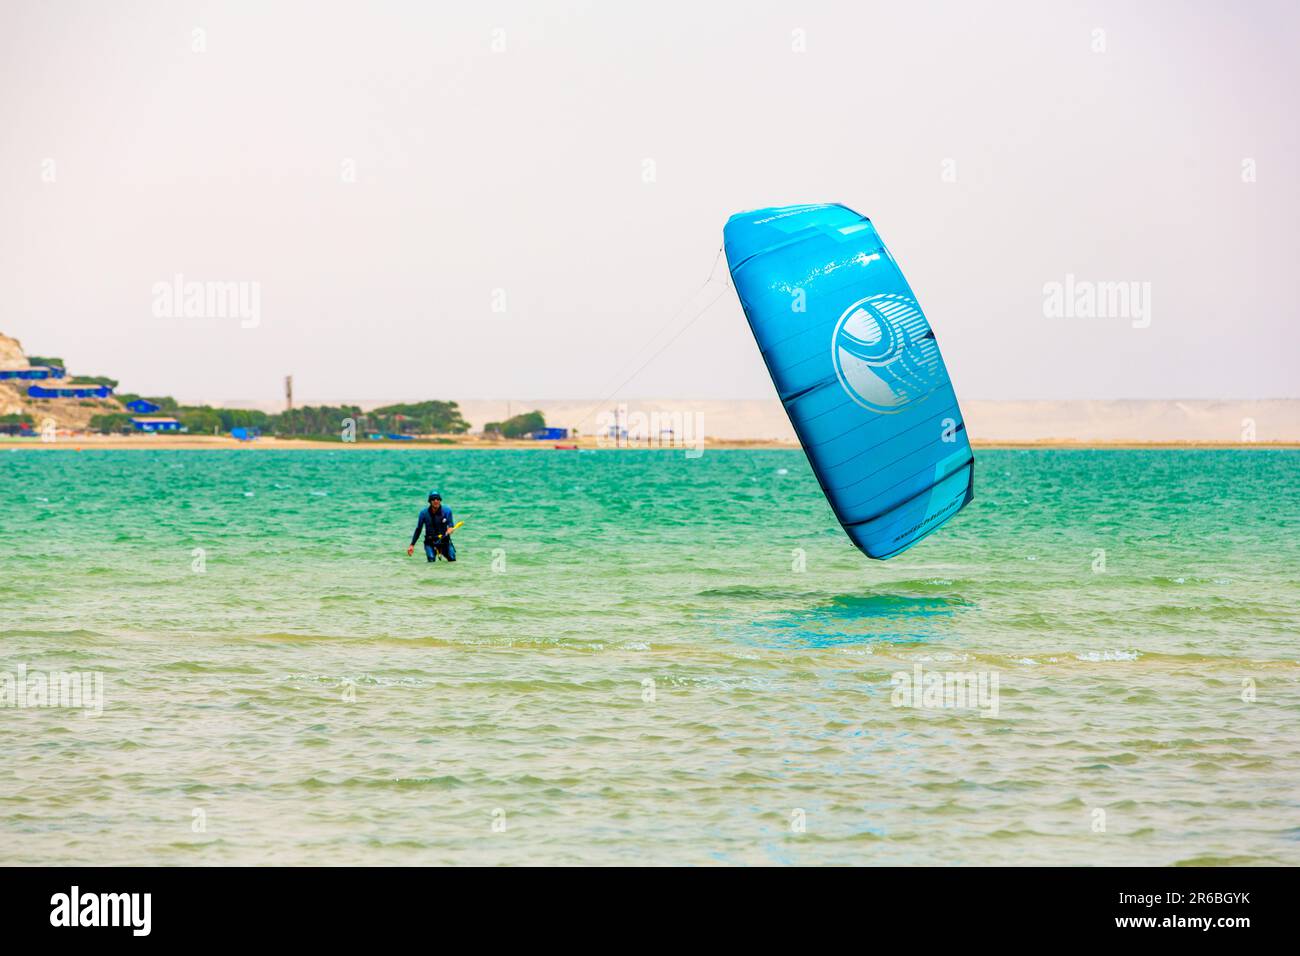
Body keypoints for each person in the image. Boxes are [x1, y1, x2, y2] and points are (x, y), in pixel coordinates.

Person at [407, 491, 456, 562]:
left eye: (438, 499)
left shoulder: (447, 511)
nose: (436, 501)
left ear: (440, 500)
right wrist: (412, 545)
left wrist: (450, 529)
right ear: (430, 501)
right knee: (431, 559)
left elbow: (451, 525)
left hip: (444, 541)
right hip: (430, 542)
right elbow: (418, 529)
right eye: (433, 499)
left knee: (452, 559)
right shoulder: (423, 513)